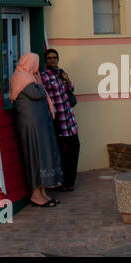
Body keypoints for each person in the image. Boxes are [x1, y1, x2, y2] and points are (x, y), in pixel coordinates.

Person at [8, 52, 63, 208]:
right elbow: (37, 93)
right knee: (35, 156)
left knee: (43, 155)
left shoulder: (31, 77)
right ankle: (36, 195)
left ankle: (43, 192)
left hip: (39, 125)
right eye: (35, 63)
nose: (36, 67)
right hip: (31, 126)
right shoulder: (22, 77)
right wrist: (39, 84)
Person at [40, 48, 81, 192]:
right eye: (49, 58)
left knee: (75, 149)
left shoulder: (61, 74)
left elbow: (71, 89)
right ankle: (63, 181)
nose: (52, 60)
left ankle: (70, 181)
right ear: (45, 61)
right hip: (58, 121)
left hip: (69, 120)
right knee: (62, 154)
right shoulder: (44, 77)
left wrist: (68, 80)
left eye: (55, 58)